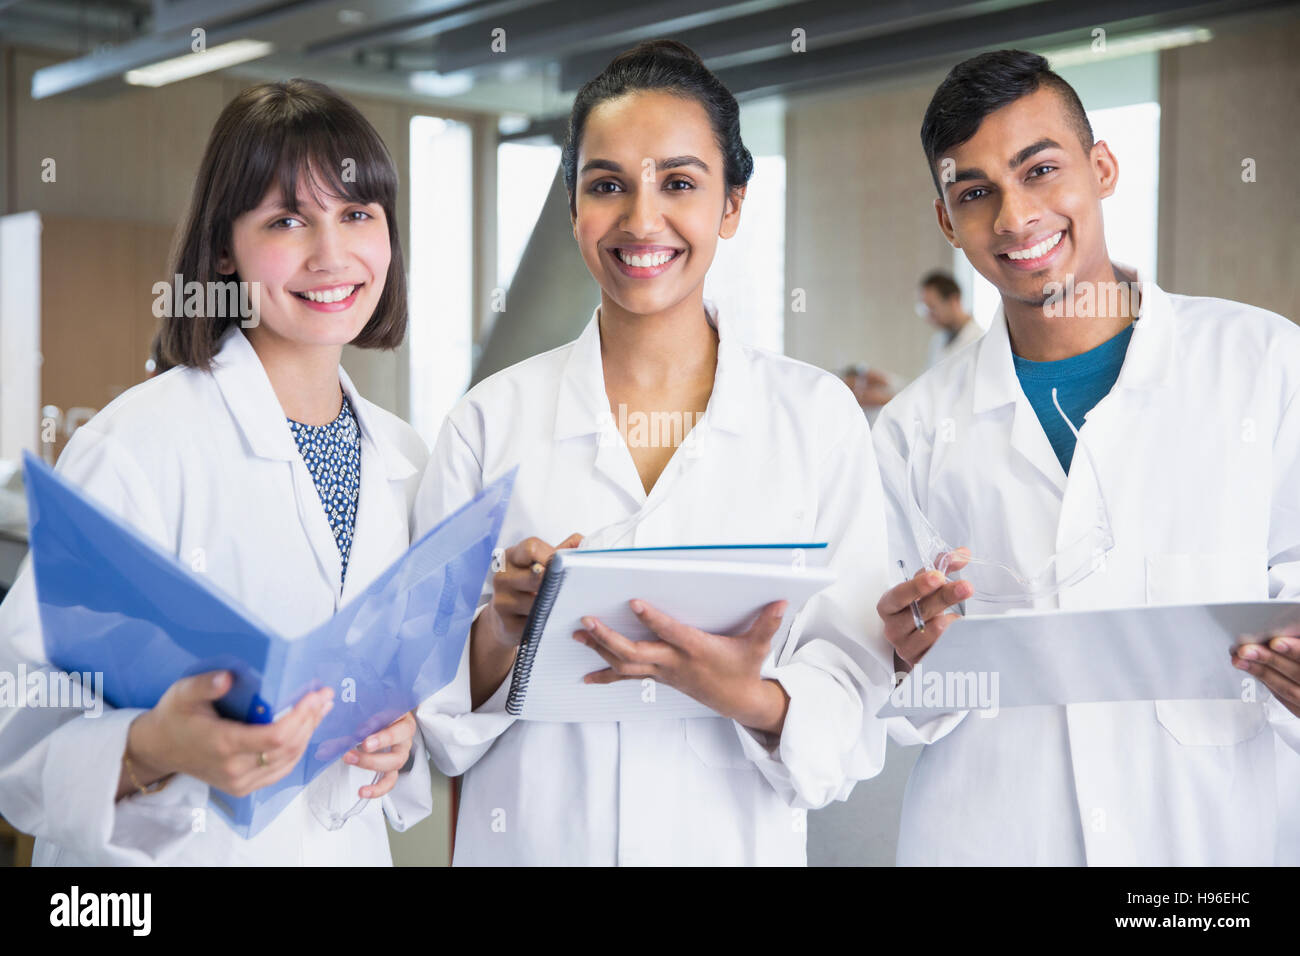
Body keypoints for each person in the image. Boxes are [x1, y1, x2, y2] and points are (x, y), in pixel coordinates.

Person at [413, 40, 894, 866]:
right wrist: (500, 628)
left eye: (679, 183)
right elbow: (428, 720)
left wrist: (749, 695)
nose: (641, 222)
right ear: (573, 208)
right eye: (607, 186)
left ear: (732, 205)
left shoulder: (815, 418)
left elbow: (853, 702)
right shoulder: (489, 423)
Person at [871, 50, 1300, 865]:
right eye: (975, 193)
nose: (1013, 216)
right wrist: (898, 659)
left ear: (1101, 167)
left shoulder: (1267, 366)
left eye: (1040, 170)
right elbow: (891, 699)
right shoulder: (912, 432)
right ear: (946, 220)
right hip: (995, 839)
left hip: (1207, 863)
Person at [0, 79, 432, 865]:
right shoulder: (135, 447)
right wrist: (152, 747)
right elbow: (19, 721)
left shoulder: (405, 458)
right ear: (226, 249)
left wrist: (399, 738)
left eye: (357, 214)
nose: (332, 253)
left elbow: (400, 689)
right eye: (288, 220)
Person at [918, 270, 982, 369]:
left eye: (932, 307)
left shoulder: (978, 340)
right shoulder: (937, 341)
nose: (929, 316)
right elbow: (928, 383)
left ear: (954, 300)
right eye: (925, 309)